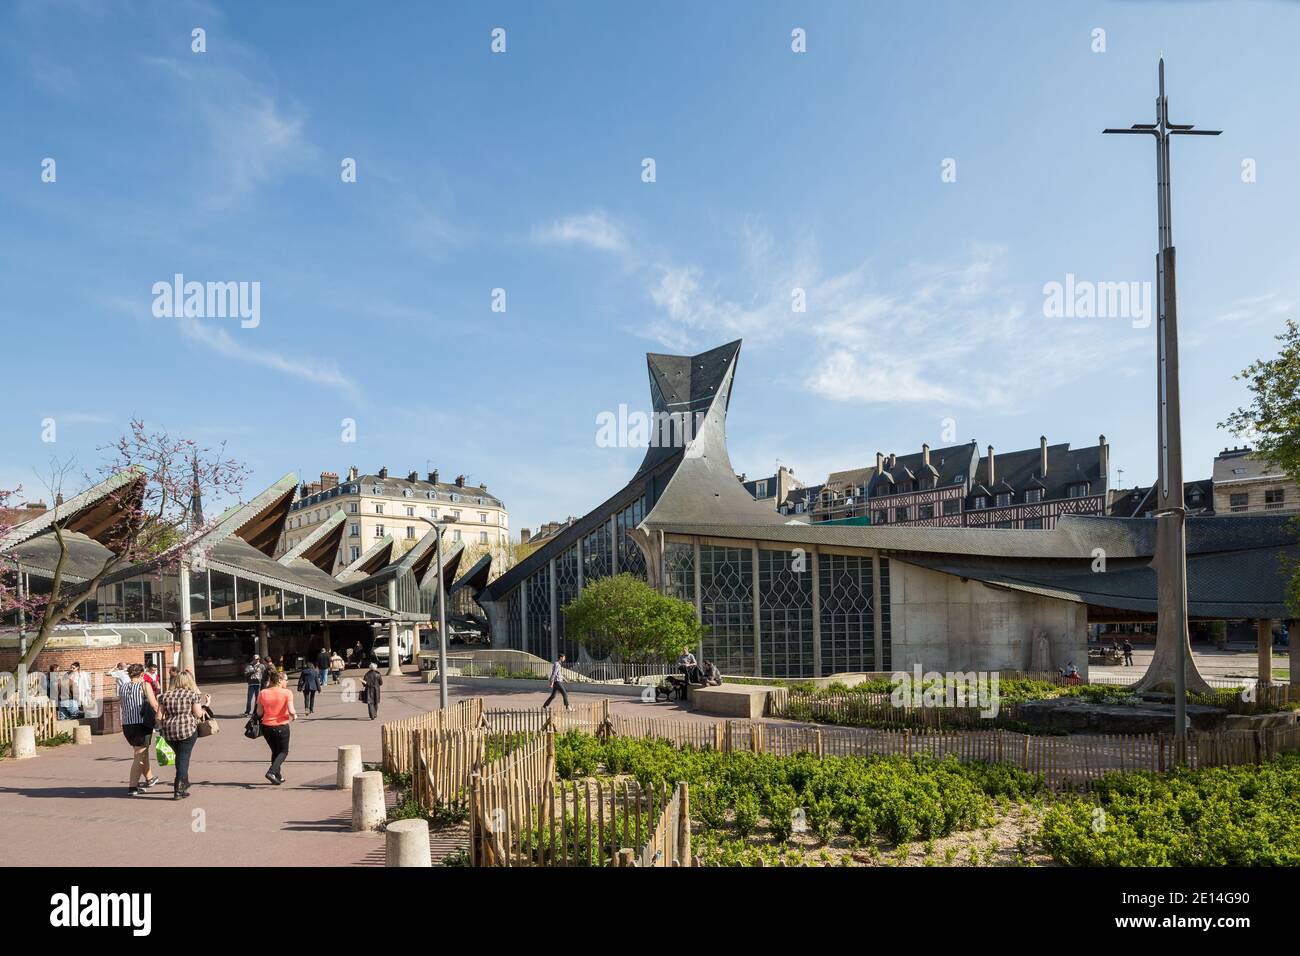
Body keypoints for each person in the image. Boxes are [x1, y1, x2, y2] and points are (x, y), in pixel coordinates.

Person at [157, 671, 208, 800]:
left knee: (180, 758)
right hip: (187, 730)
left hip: (169, 732)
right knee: (183, 759)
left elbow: (158, 716)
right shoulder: (192, 695)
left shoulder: (164, 696)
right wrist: (206, 705)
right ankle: (178, 789)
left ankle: (184, 784)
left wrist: (163, 725)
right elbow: (198, 714)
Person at [116, 663, 162, 796]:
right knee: (139, 756)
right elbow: (154, 704)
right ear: (142, 674)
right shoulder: (144, 685)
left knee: (142, 752)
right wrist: (161, 716)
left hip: (127, 724)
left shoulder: (123, 687)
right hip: (141, 724)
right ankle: (132, 787)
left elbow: (123, 704)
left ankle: (150, 778)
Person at [255, 669, 296, 785]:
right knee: (283, 751)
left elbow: (259, 712)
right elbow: (291, 710)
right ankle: (272, 772)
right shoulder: (287, 693)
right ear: (279, 680)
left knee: (275, 751)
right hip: (281, 726)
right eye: (286, 680)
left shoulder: (263, 693)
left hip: (266, 727)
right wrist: (294, 715)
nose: (287, 682)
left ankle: (277, 776)